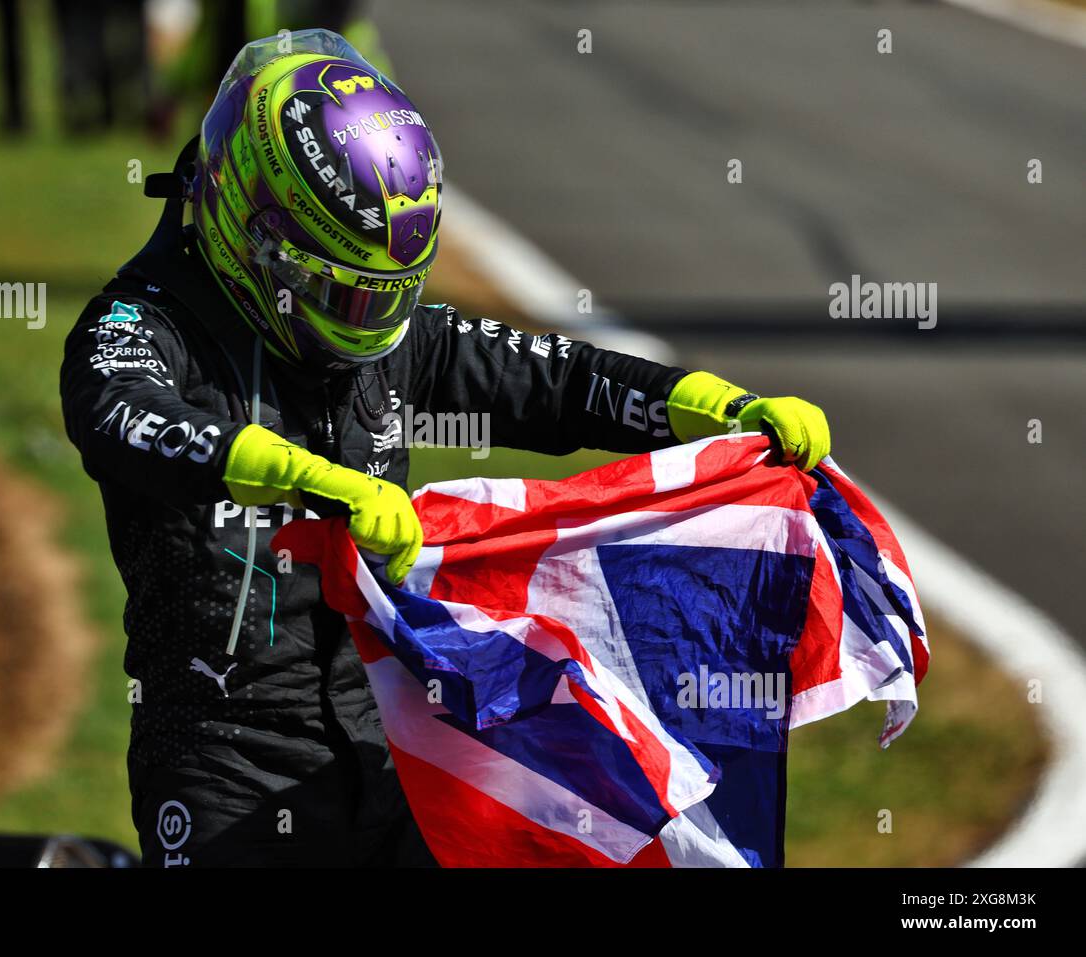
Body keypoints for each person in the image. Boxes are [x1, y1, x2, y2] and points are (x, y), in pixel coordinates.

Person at [59, 29, 830, 867]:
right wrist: (315, 483)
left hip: (397, 739)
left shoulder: (387, 341)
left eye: (384, 297)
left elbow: (550, 379)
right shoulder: (137, 325)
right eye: (341, 292)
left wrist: (703, 406)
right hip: (223, 756)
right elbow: (120, 415)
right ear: (256, 234)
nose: (367, 324)